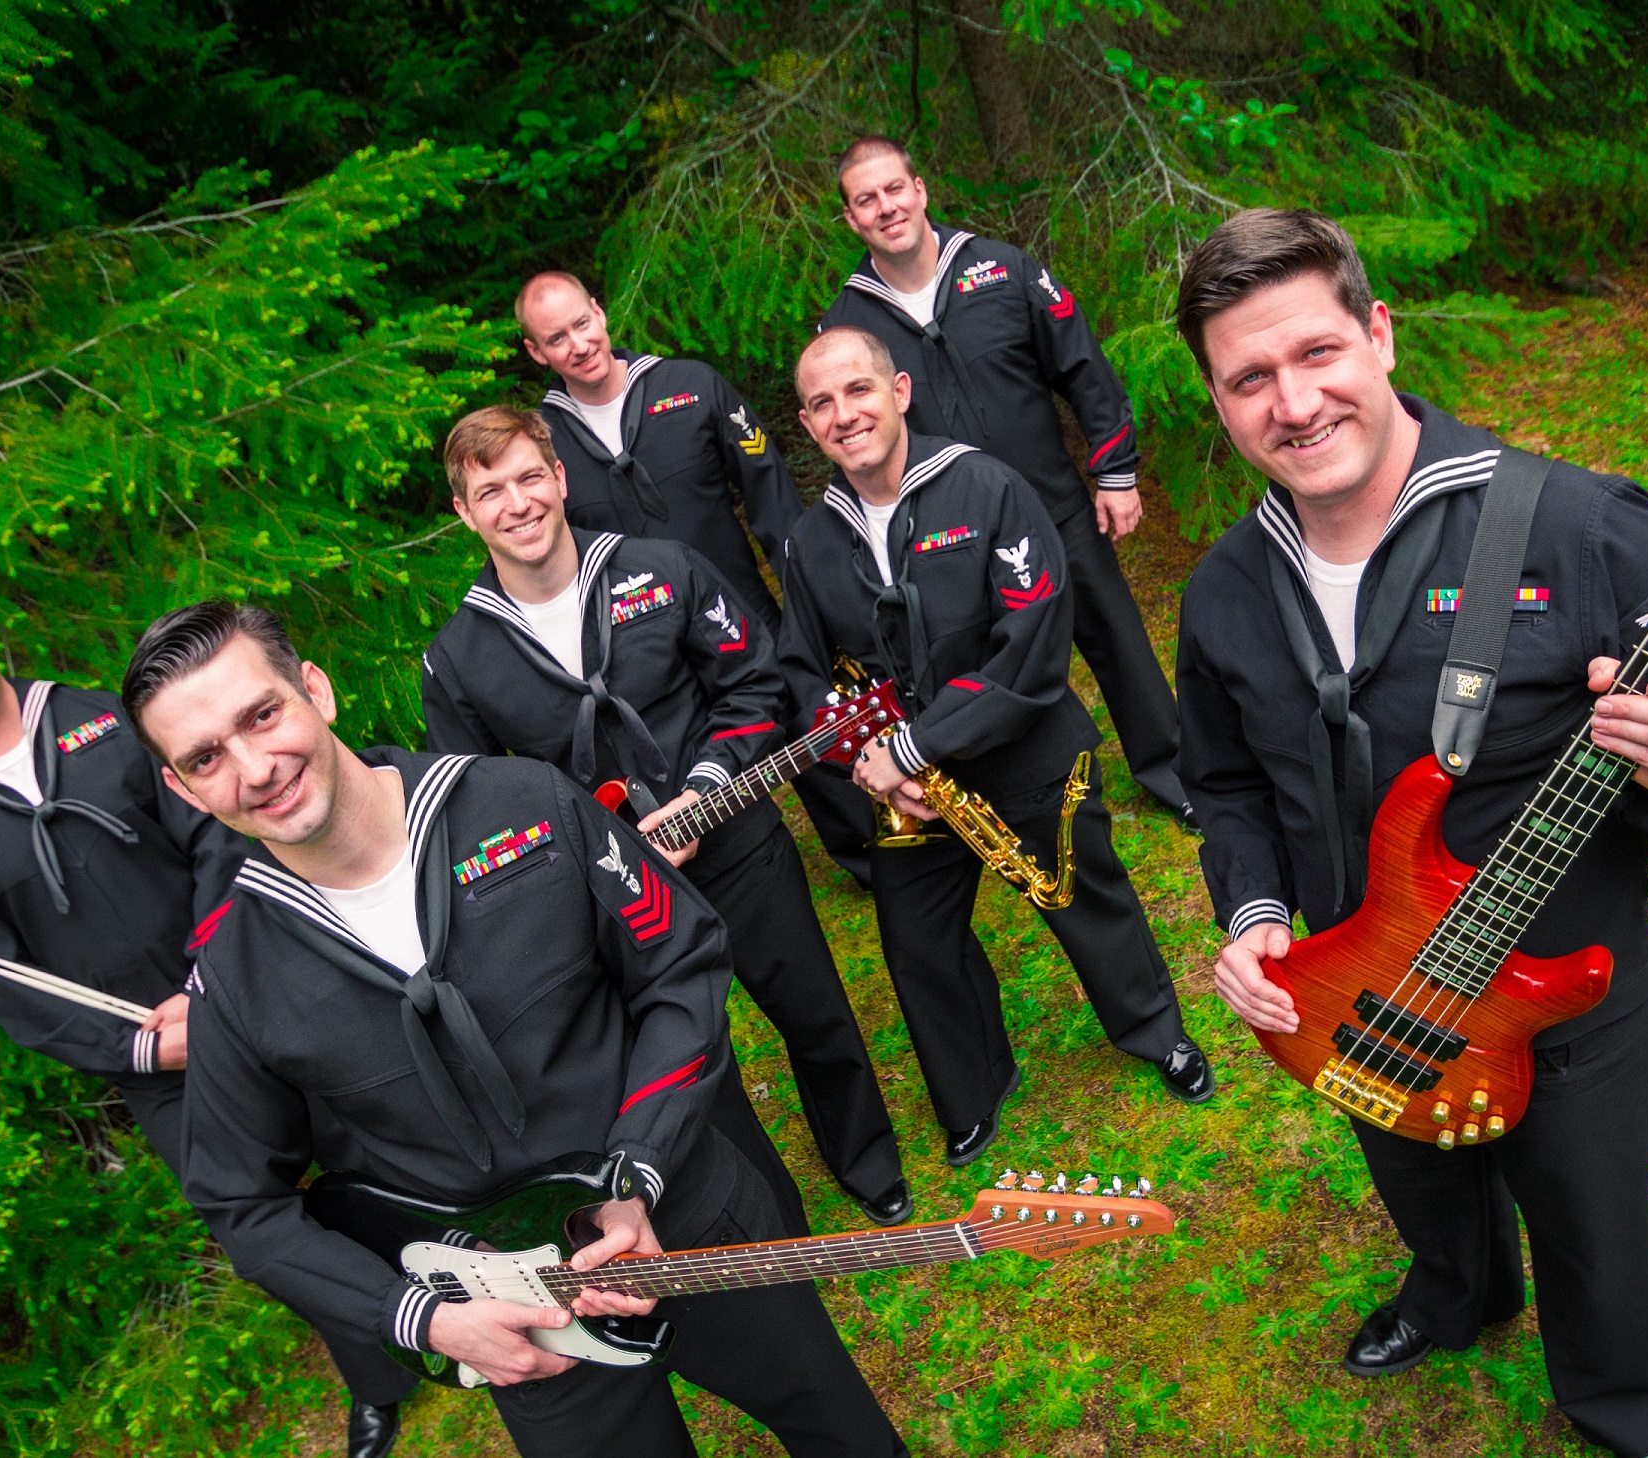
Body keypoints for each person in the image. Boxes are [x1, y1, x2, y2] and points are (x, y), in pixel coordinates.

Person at [1172, 209, 1648, 1458]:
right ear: (1219, 402)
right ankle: (1458, 1294)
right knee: (1418, 1178)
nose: (1292, 404)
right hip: (1360, 992)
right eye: (1250, 379)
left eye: (1315, 354)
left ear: (1379, 334)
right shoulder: (1225, 590)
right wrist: (1251, 919)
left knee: (1594, 1230)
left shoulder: (1577, 527)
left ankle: (1623, 1414)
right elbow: (1228, 784)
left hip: (1565, 1009)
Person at [125, 600, 908, 1458]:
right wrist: (418, 1318)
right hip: (512, 1321)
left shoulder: (525, 804)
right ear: (181, 786)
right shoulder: (235, 980)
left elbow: (678, 966)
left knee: (841, 1434)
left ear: (316, 688)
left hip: (683, 1209)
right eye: (205, 756)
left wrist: (637, 1169)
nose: (254, 766)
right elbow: (246, 1205)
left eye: (262, 714)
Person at [0, 575, 418, 1458]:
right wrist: (140, 1045)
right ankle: (379, 1375)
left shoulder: (101, 717)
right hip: (152, 1061)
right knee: (266, 1225)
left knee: (379, 1151)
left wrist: (211, 984)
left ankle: (463, 1284)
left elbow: (213, 837)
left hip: (257, 988)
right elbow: (4, 979)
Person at [419, 404, 909, 1225]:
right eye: (490, 490)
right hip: (616, 906)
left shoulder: (663, 567)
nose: (518, 503)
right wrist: (596, 860)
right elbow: (480, 815)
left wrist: (705, 786)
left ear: (560, 479)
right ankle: (762, 1214)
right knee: (684, 1067)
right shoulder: (456, 660)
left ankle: (866, 1159)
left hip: (736, 844)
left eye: (530, 477)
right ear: (465, 514)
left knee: (815, 1013)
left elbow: (754, 684)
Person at [775, 326, 1213, 1168]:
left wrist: (914, 745)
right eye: (822, 403)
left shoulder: (985, 487)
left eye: (858, 390)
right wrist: (867, 759)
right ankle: (972, 1086)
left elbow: (1032, 643)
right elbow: (800, 675)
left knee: (1086, 902)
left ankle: (1156, 1032)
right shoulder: (809, 541)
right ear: (806, 421)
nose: (844, 413)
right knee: (915, 942)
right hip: (905, 791)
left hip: (1021, 754)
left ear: (898, 390)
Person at [818, 136, 1192, 826]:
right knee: (992, 669)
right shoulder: (848, 323)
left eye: (894, 189)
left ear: (920, 190)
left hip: (1055, 507)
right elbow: (856, 440)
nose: (885, 207)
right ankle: (1026, 796)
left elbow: (1081, 364)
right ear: (850, 220)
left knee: (1117, 640)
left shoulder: (1001, 269)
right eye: (865, 200)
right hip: (953, 538)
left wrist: (1113, 470)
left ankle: (1173, 773)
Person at [517, 270, 877, 886]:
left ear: (600, 314)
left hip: (744, 615)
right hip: (647, 653)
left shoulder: (689, 385)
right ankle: (734, 878)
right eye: (556, 339)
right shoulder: (542, 444)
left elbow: (771, 497)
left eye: (582, 324)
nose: (577, 344)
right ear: (536, 352)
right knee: (701, 773)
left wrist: (811, 605)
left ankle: (871, 854)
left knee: (809, 733)